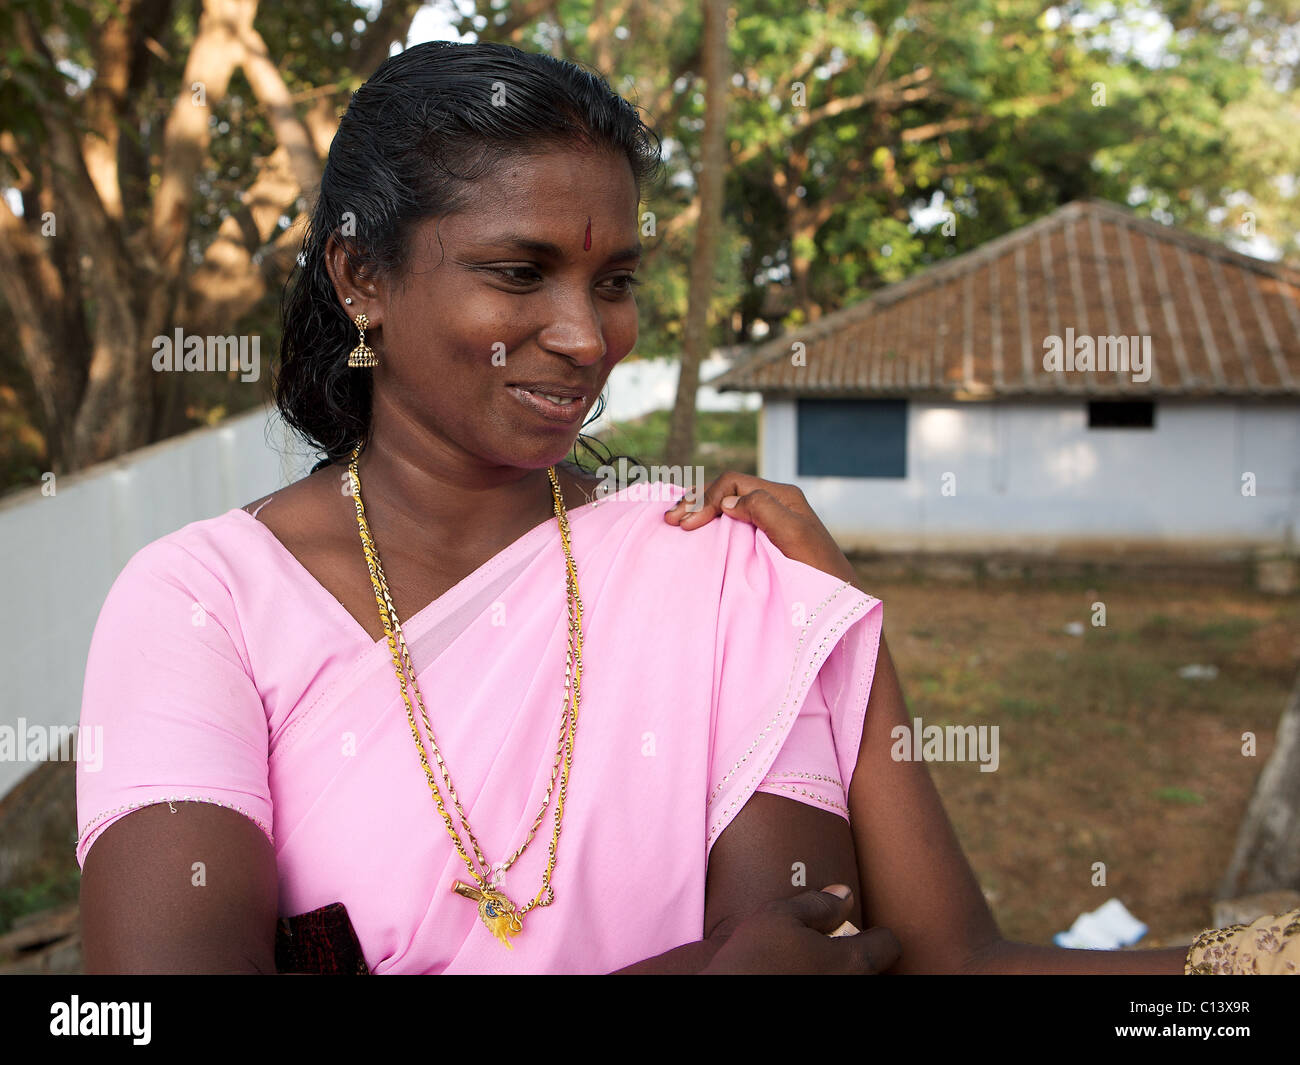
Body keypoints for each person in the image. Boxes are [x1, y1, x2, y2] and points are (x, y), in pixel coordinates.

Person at [78, 40, 1191, 975]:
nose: (583, 335)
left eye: (613, 282)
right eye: (519, 273)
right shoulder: (203, 603)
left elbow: (816, 943)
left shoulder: (711, 569)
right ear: (362, 278)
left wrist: (846, 640)